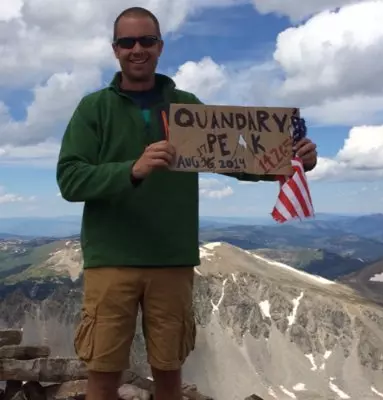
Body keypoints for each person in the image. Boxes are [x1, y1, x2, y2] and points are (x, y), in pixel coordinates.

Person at [56, 6, 318, 400]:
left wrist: (290, 160)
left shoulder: (186, 105)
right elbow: (70, 178)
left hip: (172, 260)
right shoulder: (93, 108)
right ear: (115, 50)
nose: (137, 49)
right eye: (127, 42)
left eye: (147, 40)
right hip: (111, 260)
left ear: (160, 46)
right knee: (103, 375)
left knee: (169, 373)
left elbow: (234, 157)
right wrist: (133, 168)